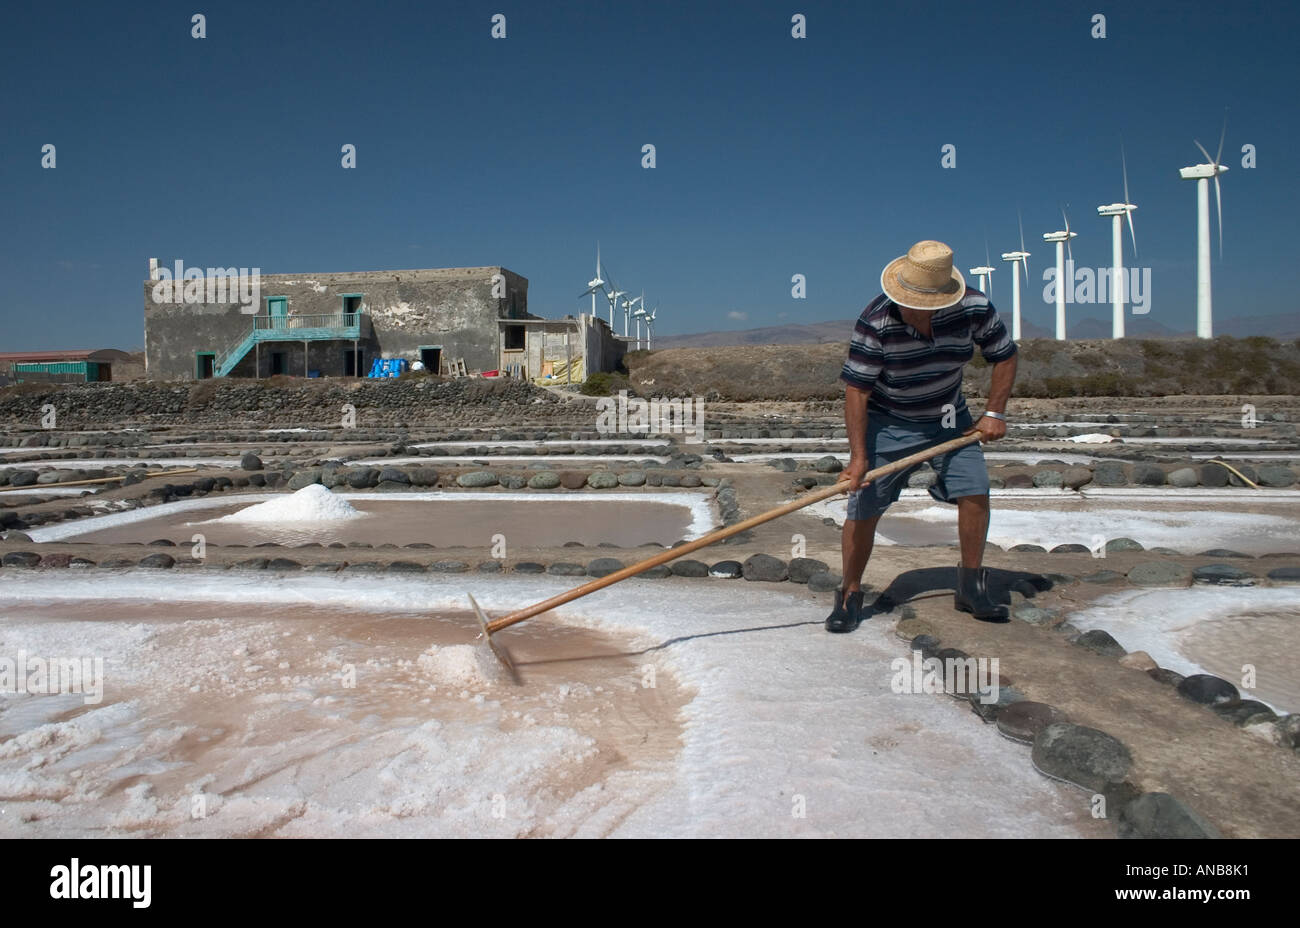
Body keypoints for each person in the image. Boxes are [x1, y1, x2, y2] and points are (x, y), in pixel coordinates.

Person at [825, 240, 1018, 633]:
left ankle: (970, 585)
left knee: (975, 490)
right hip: (889, 419)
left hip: (949, 416)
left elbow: (1005, 354)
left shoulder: (974, 308)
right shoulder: (876, 320)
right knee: (864, 506)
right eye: (912, 301)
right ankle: (849, 593)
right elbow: (856, 391)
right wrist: (859, 458)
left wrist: (994, 412)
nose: (918, 310)